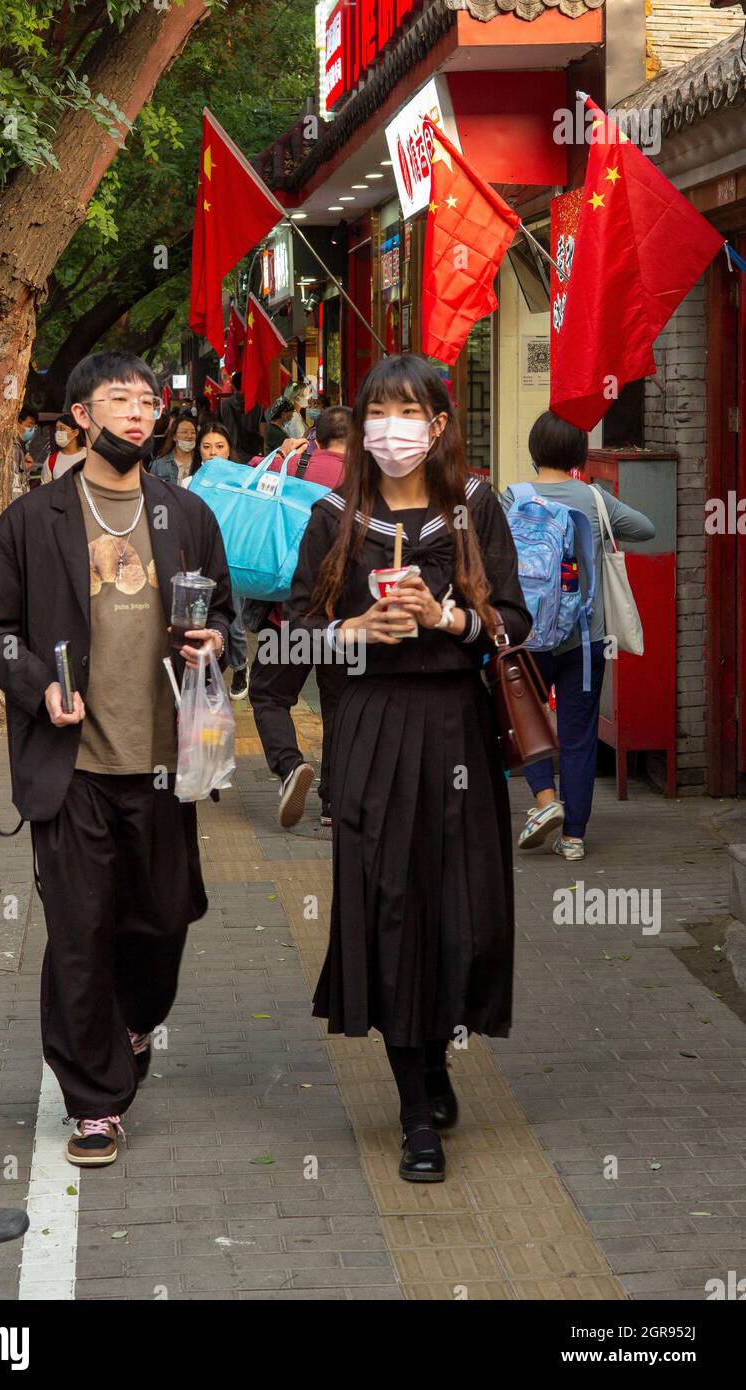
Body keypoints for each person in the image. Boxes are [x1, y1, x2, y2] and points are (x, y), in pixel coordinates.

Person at [0, 350, 233, 1168]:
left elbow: (228, 615)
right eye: (120, 400)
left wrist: (220, 640)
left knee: (161, 923)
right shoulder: (32, 521)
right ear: (80, 415)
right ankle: (94, 1101)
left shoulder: (183, 515)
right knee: (79, 932)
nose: (138, 414)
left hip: (164, 762)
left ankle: (135, 1022)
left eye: (148, 401)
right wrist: (39, 685)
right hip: (71, 765)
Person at [285, 354, 531, 1184]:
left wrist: (451, 616)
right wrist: (353, 632)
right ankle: (415, 1112)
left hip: (458, 734)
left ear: (438, 425)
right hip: (369, 732)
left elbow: (516, 623)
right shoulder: (333, 518)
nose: (393, 430)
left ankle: (437, 1062)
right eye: (378, 413)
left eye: (410, 413)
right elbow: (288, 636)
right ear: (361, 426)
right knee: (389, 908)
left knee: (459, 911)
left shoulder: (474, 512)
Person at [501, 411, 655, 861]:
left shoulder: (514, 498)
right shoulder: (593, 497)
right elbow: (646, 528)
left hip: (527, 637)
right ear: (577, 452)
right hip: (586, 640)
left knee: (526, 723)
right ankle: (573, 836)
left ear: (534, 450)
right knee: (579, 733)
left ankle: (544, 801)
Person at [249, 405, 352, 828]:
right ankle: (335, 802)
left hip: (288, 613)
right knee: (340, 706)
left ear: (315, 434)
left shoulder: (293, 461)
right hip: (346, 621)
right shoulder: (369, 480)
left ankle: (291, 766)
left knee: (269, 695)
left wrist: (284, 451)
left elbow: (249, 477)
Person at [189, 419, 250, 700]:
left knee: (233, 620)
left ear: (229, 450)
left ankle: (239, 665)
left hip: (232, 562)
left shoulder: (244, 482)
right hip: (198, 565)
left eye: (219, 446)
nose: (213, 452)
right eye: (207, 446)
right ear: (199, 451)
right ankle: (206, 677)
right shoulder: (189, 484)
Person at [220, 372, 264, 464]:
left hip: (231, 450)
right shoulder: (258, 406)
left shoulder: (224, 404)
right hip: (252, 451)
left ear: (232, 385)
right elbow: (262, 430)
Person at [150, 410, 196, 485]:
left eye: (193, 432)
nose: (189, 436)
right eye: (184, 432)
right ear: (174, 436)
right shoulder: (160, 464)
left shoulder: (201, 462)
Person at [40, 413, 87, 484]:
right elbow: (45, 490)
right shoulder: (51, 461)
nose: (58, 433)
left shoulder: (89, 455)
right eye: (56, 430)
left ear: (75, 432)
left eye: (62, 429)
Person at [12, 406, 38, 498]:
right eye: (30, 425)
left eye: (34, 427)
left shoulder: (21, 450)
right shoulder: (11, 449)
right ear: (17, 422)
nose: (32, 430)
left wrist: (26, 470)